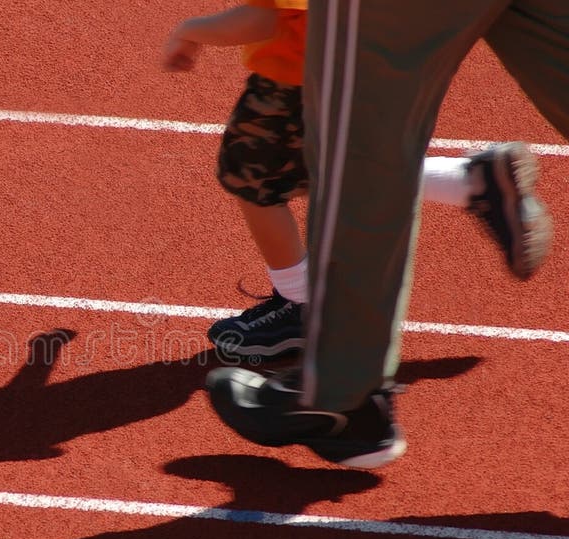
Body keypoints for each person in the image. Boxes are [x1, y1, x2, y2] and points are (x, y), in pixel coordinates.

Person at [203, 0, 557, 468]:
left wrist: (191, 32)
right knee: (319, 164)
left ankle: (341, 392)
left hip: (304, 66)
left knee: (351, 161)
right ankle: (472, 181)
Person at [164, 2, 552, 360]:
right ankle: (470, 182)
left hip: (296, 79)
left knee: (252, 179)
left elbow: (264, 18)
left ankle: (301, 304)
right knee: (330, 169)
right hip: (354, 65)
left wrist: (191, 30)